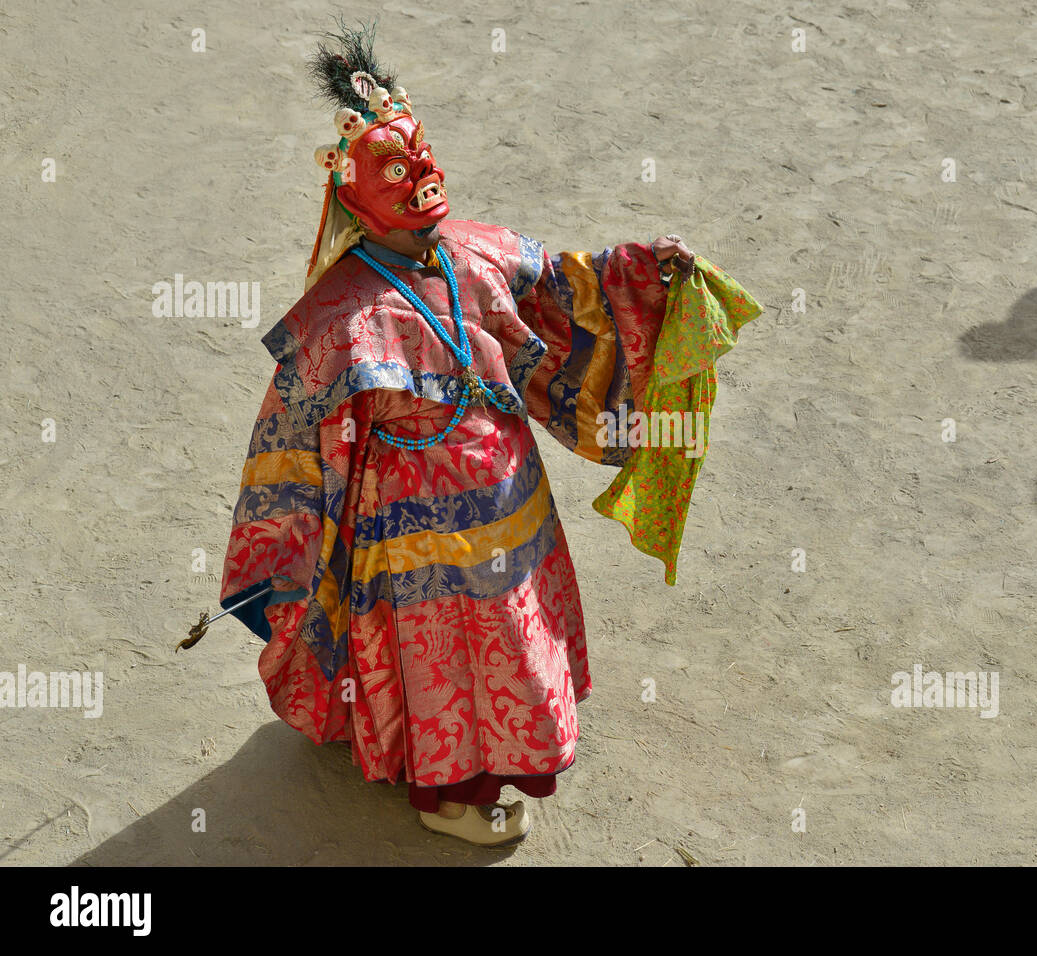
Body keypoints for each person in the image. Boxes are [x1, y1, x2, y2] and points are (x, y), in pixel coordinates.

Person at [217, 22, 752, 847]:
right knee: (440, 657)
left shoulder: (477, 252)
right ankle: (447, 793)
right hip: (409, 535)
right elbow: (288, 442)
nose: (423, 173)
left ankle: (480, 765)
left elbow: (574, 285)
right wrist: (292, 557)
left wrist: (650, 265)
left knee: (507, 638)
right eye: (397, 169)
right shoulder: (337, 318)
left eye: (423, 155)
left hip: (509, 500)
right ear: (353, 195)